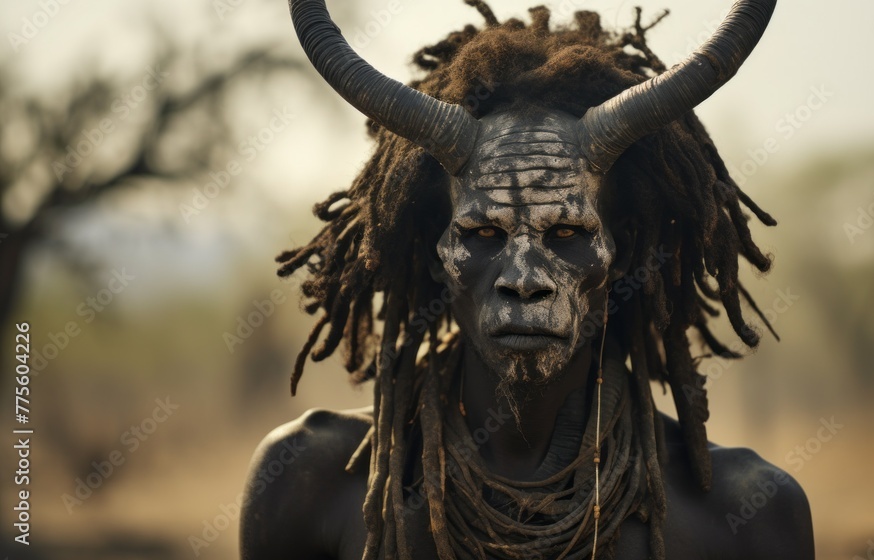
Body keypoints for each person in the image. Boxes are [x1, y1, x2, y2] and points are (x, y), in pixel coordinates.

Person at [240, 1, 814, 558]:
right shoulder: (307, 484)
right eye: (483, 235)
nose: (523, 279)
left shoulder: (747, 517)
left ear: (625, 249)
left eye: (566, 234)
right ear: (432, 250)